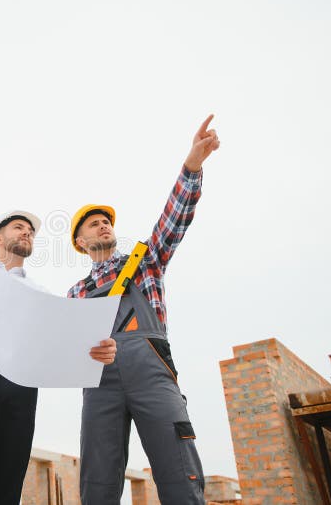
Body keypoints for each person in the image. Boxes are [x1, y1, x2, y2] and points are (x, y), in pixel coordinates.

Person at [68, 115, 221, 505]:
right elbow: (66, 352)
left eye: (106, 221)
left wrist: (192, 165)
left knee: (179, 471)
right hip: (99, 385)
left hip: (153, 375)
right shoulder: (76, 294)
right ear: (81, 242)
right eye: (93, 224)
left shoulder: (145, 261)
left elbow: (174, 219)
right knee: (98, 482)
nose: (103, 226)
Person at [0, 210, 115, 505]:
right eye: (19, 227)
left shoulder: (39, 294)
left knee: (6, 489)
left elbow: (60, 345)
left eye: (31, 230)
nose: (27, 232)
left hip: (20, 388)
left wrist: (97, 351)